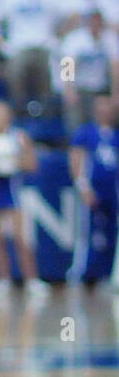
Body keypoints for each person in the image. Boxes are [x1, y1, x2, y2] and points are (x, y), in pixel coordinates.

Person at [0, 100, 47, 295]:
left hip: (12, 191)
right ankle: (3, 278)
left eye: (2, 114)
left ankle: (31, 278)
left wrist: (12, 163)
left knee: (20, 237)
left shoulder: (19, 137)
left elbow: (32, 164)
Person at [68, 95, 119, 287]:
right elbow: (76, 159)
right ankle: (82, 272)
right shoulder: (85, 133)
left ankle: (109, 274)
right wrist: (83, 186)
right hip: (93, 188)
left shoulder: (115, 135)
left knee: (112, 232)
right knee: (87, 232)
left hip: (113, 192)